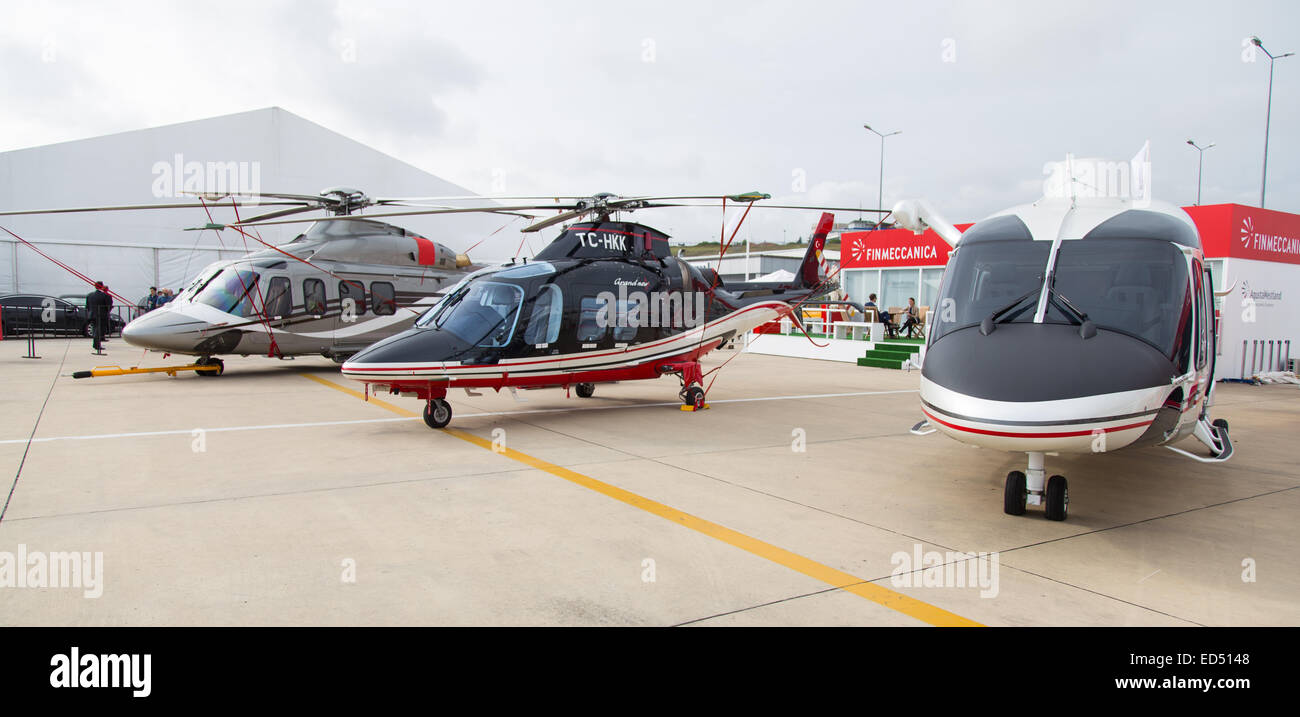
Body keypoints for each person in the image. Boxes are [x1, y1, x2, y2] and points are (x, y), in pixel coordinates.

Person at [86, 281, 110, 352]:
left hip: (92, 315)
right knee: (98, 330)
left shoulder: (90, 295)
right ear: (102, 286)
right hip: (101, 315)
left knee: (94, 329)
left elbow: (87, 306)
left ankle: (95, 344)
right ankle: (97, 345)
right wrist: (106, 312)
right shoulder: (104, 295)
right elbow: (108, 306)